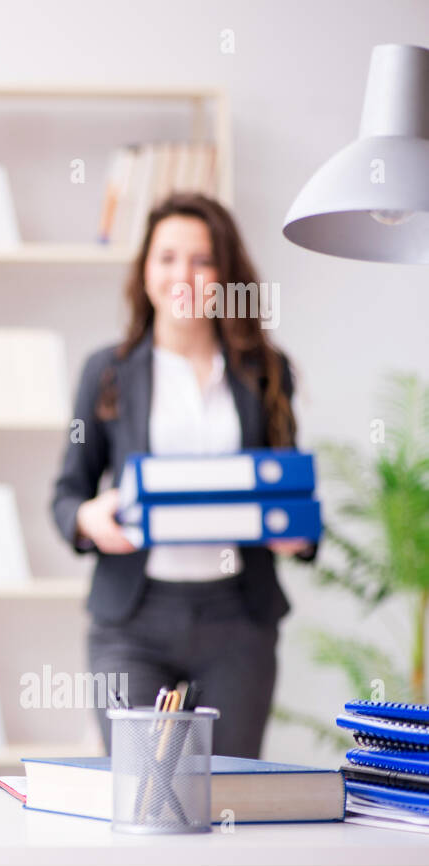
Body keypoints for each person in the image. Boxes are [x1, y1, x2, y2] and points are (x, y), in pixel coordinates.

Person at [51, 192, 317, 759]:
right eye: (167, 257)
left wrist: (299, 536)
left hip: (237, 621)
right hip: (133, 621)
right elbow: (67, 494)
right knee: (149, 798)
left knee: (229, 799)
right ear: (145, 270)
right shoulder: (108, 372)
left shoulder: (268, 371)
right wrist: (88, 518)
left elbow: (293, 492)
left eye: (202, 260)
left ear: (226, 272)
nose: (184, 275)